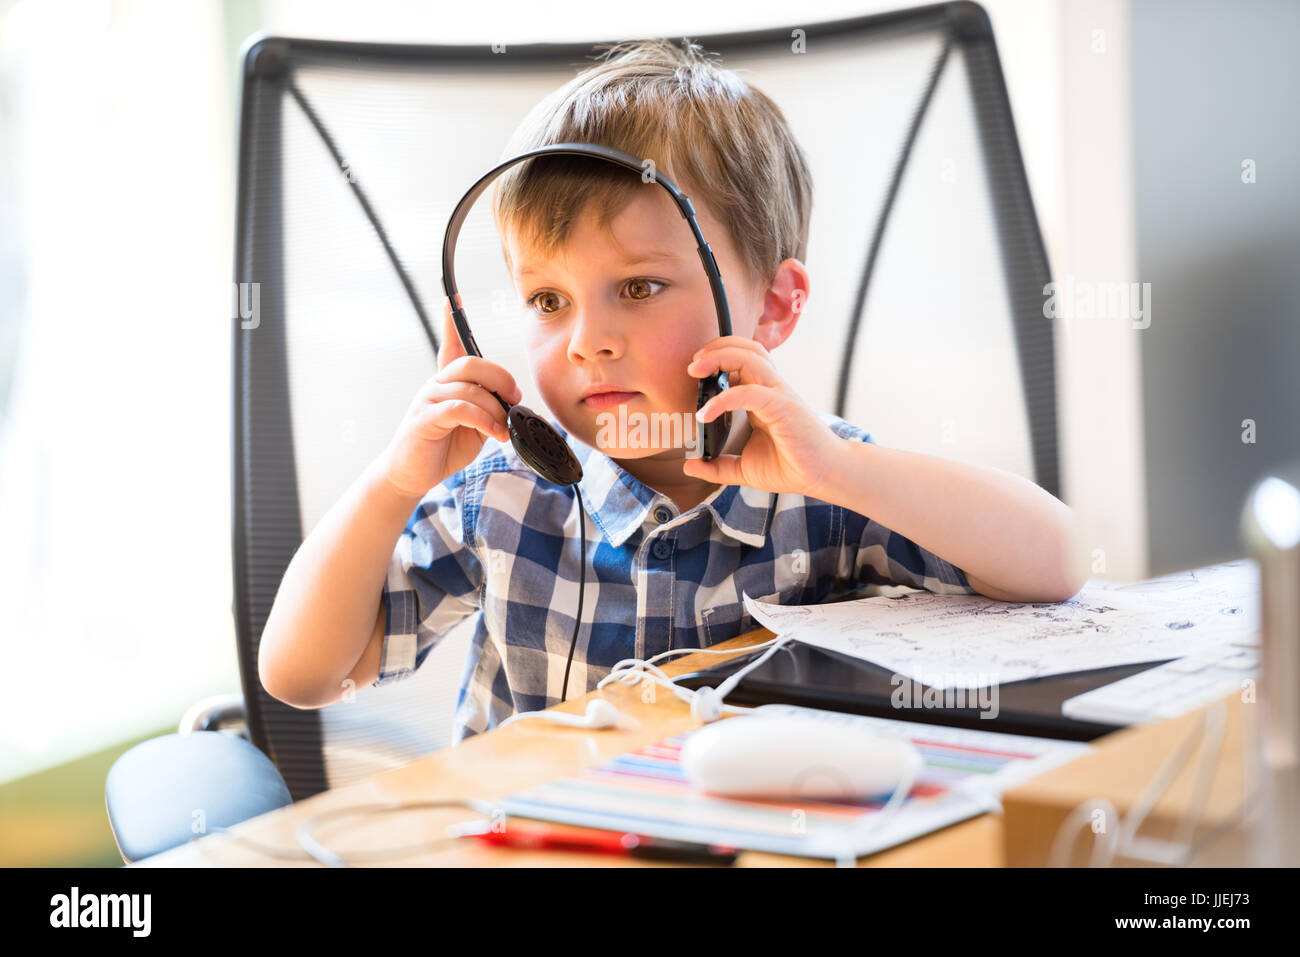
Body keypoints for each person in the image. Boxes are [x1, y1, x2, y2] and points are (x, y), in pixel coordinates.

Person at [258, 38, 1085, 742]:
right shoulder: (501, 496)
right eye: (549, 301)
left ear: (774, 304)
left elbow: (1056, 562)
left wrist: (840, 471)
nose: (588, 340)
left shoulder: (822, 484)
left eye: (640, 287)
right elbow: (302, 672)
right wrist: (392, 485)